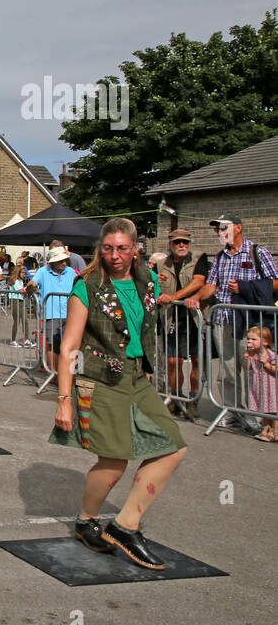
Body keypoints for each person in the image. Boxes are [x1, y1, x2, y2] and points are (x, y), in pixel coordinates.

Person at [52, 217, 186, 571]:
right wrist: (64, 399)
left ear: (135, 249)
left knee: (173, 447)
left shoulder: (149, 281)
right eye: (108, 248)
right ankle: (86, 520)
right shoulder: (88, 285)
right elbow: (69, 346)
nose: (114, 255)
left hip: (138, 376)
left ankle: (125, 524)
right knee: (114, 459)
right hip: (100, 378)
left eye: (122, 248)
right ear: (101, 248)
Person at [185, 213, 278, 431]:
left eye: (223, 228)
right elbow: (211, 285)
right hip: (222, 319)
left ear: (238, 228)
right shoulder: (220, 257)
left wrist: (246, 287)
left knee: (253, 368)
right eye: (217, 229)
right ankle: (233, 410)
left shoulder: (257, 252)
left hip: (249, 322)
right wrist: (195, 298)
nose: (219, 233)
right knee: (227, 370)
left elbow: (274, 282)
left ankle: (257, 415)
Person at [155, 228, 210, 419]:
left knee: (196, 360)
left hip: (194, 318)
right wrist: (155, 282)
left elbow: (198, 282)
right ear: (170, 244)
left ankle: (192, 399)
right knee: (172, 361)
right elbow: (150, 285)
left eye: (185, 242)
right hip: (171, 318)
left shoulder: (199, 258)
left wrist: (173, 296)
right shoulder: (161, 264)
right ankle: (177, 399)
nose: (182, 245)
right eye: (177, 242)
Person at [26, 247, 78, 375]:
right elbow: (33, 283)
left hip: (70, 314)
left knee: (70, 345)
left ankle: (69, 373)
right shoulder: (43, 271)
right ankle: (54, 373)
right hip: (51, 314)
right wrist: (29, 287)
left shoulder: (70, 272)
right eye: (60, 261)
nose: (64, 263)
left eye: (65, 260)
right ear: (53, 262)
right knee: (52, 345)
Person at [245, 326, 277, 442]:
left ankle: (275, 431)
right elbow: (248, 368)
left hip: (270, 385)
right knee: (263, 408)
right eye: (248, 339)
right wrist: (247, 360)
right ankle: (266, 428)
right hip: (259, 384)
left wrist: (267, 364)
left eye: (254, 339)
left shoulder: (270, 354)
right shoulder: (251, 353)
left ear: (266, 342)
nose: (249, 341)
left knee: (273, 408)